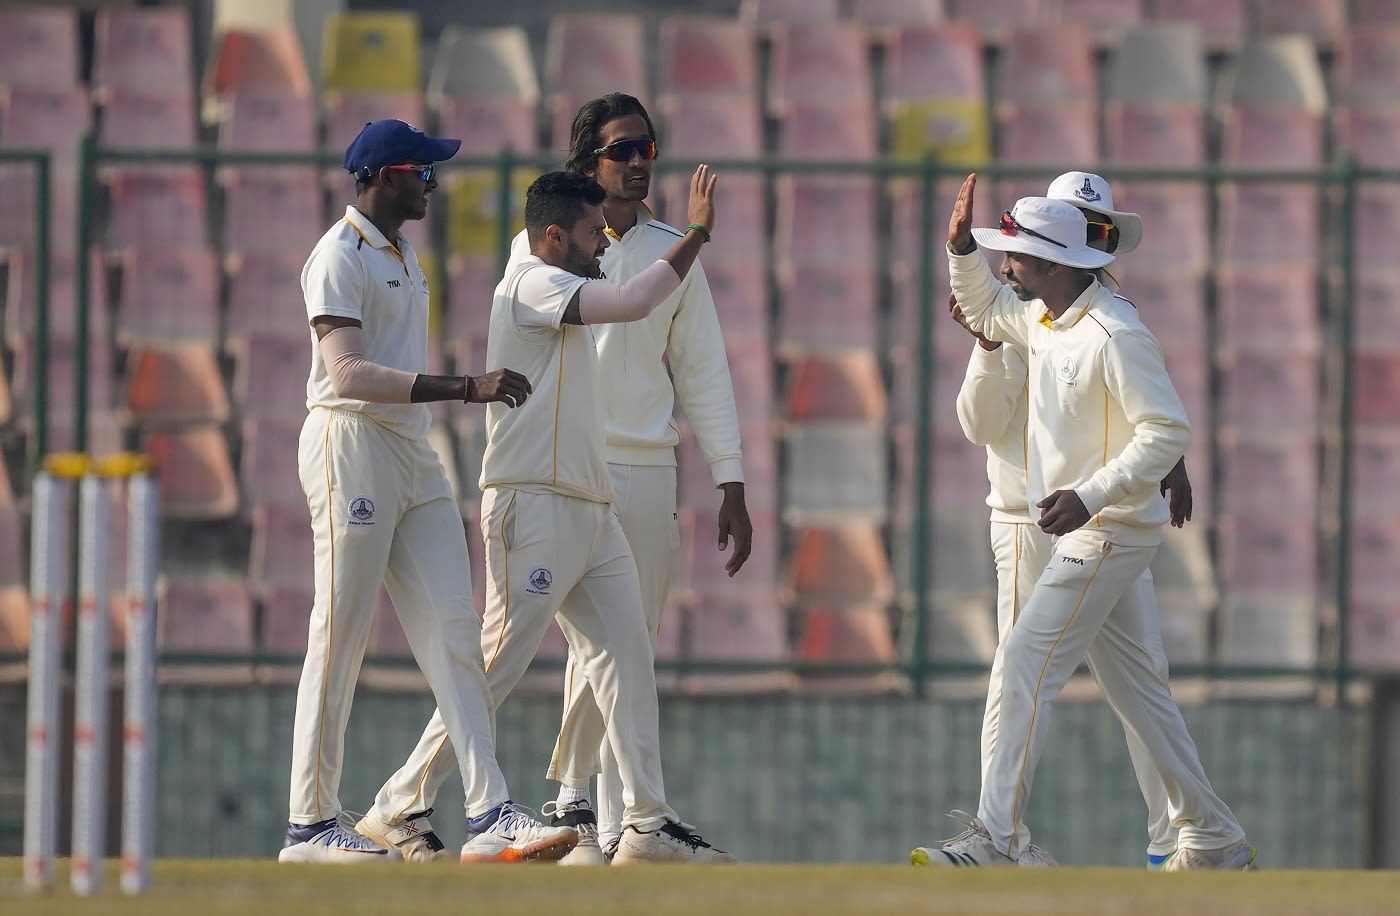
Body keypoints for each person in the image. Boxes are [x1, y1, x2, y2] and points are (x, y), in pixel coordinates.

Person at [356, 92, 752, 865]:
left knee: (625, 651)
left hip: (601, 494)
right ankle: (402, 803)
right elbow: (631, 300)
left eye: (649, 150)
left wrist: (728, 476)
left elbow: (696, 361)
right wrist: (702, 232)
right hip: (536, 495)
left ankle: (644, 821)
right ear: (558, 228)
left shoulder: (611, 257)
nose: (639, 166)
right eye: (622, 153)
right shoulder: (534, 275)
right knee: (500, 658)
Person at [911, 175, 1254, 870]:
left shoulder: (1114, 331)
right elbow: (985, 306)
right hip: (1090, 526)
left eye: (1018, 258)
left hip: (1106, 531)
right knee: (1140, 693)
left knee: (1023, 660)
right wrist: (958, 253)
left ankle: (996, 839)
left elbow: (1167, 430)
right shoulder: (1045, 319)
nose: (1008, 267)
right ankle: (1214, 839)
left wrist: (1091, 495)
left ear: (1056, 265)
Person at [280, 118, 578, 864]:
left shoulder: (404, 254)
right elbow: (345, 374)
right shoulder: (335, 256)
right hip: (350, 442)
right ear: (386, 176)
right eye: (424, 173)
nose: (432, 185)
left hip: (411, 452)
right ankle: (309, 825)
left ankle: (489, 814)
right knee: (340, 632)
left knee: (455, 628)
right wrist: (465, 387)